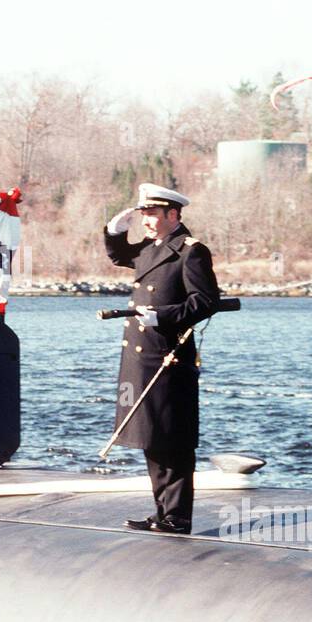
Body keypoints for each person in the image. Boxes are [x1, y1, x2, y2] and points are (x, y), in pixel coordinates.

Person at [105, 183, 221, 534]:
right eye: (144, 215)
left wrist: (163, 316)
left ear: (173, 214)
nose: (148, 222)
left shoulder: (191, 252)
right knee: (150, 435)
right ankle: (162, 512)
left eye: (153, 215)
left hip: (169, 357)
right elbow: (119, 256)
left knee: (173, 437)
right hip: (141, 358)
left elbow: (205, 301)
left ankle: (177, 516)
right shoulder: (152, 249)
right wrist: (114, 232)